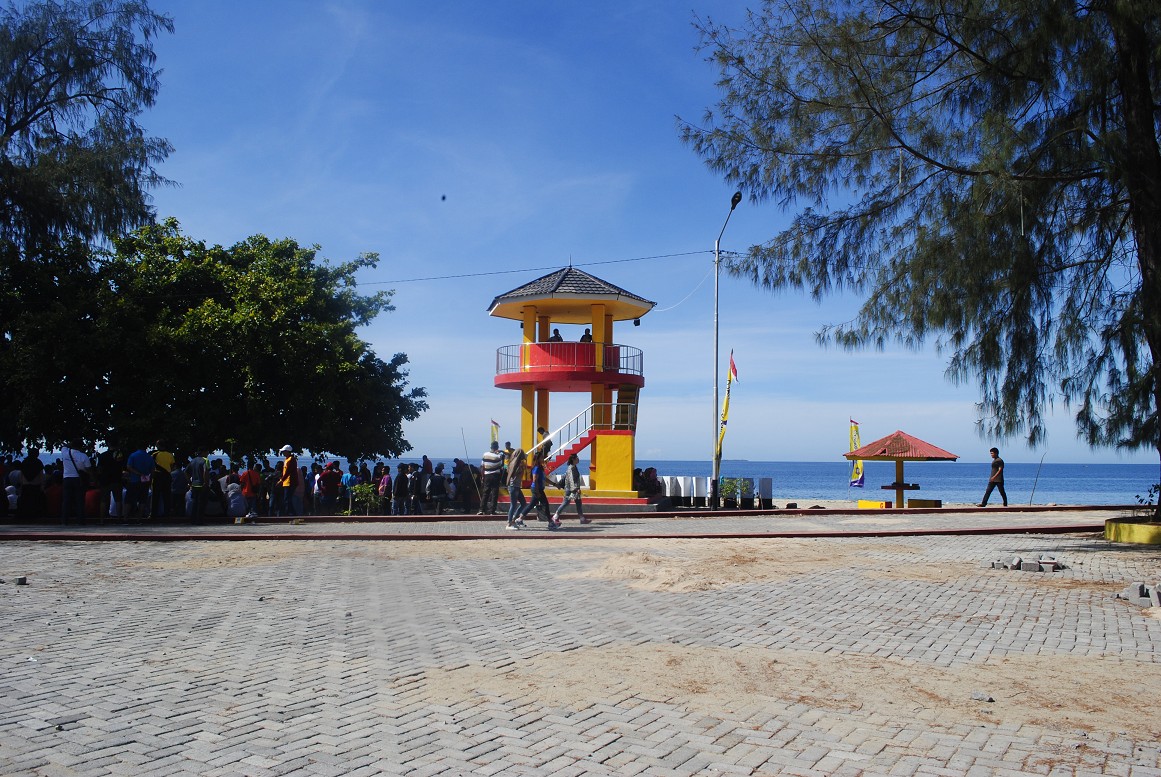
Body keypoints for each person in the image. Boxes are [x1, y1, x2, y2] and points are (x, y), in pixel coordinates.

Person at [551, 453, 589, 525]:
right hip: (570, 489)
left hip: (574, 489)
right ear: (573, 459)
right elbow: (571, 480)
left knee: (578, 503)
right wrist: (576, 489)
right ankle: (555, 516)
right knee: (566, 502)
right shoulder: (571, 468)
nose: (578, 459)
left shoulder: (574, 467)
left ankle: (582, 518)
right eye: (577, 458)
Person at [59, 442, 92, 524]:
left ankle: (64, 520)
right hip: (78, 479)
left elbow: (64, 446)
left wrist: (70, 445)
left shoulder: (65, 452)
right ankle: (80, 520)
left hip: (67, 478)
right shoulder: (83, 456)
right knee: (80, 500)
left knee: (66, 500)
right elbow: (88, 469)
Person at [520, 447, 553, 525]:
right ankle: (550, 522)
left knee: (531, 505)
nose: (543, 459)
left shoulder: (540, 468)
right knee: (545, 504)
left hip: (538, 488)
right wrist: (537, 491)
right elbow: (535, 479)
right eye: (541, 458)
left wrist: (554, 484)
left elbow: (544, 478)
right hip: (537, 489)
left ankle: (520, 519)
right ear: (537, 459)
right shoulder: (537, 468)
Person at [151, 441, 175, 519]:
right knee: (167, 496)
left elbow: (152, 466)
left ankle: (153, 514)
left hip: (158, 475)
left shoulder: (154, 454)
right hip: (167, 476)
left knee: (155, 496)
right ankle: (167, 513)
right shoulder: (170, 455)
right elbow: (172, 466)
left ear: (158, 445)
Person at [505, 448, 527, 530]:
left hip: (516, 486)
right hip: (513, 486)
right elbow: (519, 473)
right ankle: (509, 523)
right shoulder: (517, 464)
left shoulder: (513, 462)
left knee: (523, 503)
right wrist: (523, 464)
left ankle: (513, 520)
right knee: (513, 504)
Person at [479, 441, 503, 515]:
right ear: (497, 448)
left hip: (487, 476)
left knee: (485, 493)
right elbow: (500, 466)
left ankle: (481, 509)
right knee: (494, 494)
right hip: (495, 476)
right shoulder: (499, 456)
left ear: (491, 447)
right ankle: (492, 511)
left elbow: (482, 466)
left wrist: (482, 476)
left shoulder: (485, 454)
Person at [279, 445, 299, 516]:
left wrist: (281, 480)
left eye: (284, 451)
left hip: (290, 482)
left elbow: (288, 471)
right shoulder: (286, 459)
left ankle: (290, 513)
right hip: (286, 482)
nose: (283, 453)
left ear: (288, 451)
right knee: (287, 499)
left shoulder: (291, 459)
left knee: (287, 499)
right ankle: (290, 513)